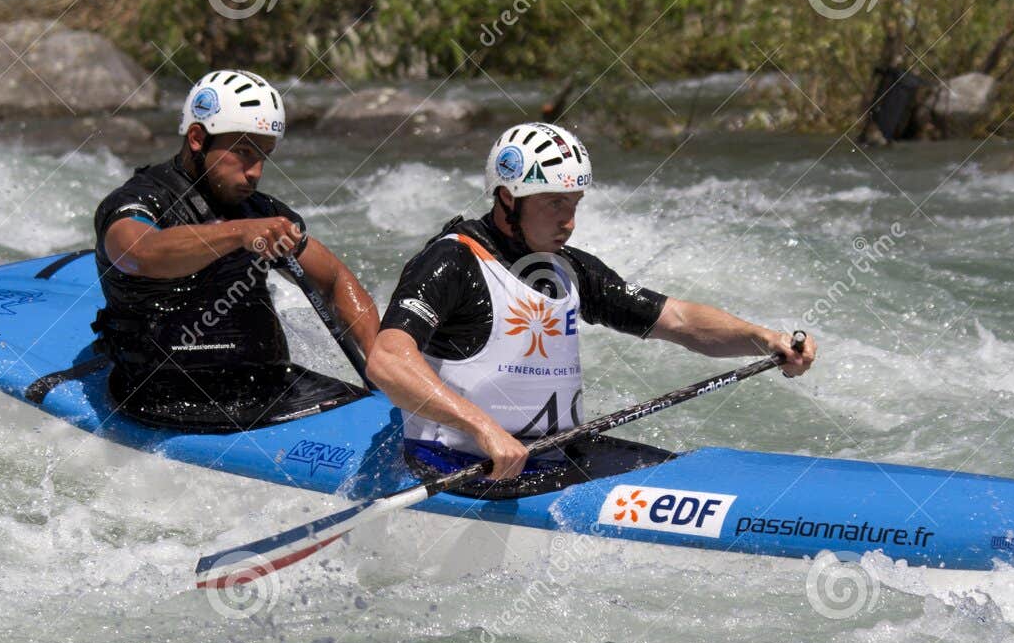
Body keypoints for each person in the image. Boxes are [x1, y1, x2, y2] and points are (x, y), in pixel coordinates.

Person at [366, 122, 816, 495]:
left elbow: (677, 320)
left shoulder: (568, 267)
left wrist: (763, 339)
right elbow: (387, 360)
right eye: (555, 203)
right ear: (507, 198)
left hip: (557, 455)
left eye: (575, 204)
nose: (569, 220)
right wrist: (484, 428)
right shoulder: (452, 261)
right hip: (462, 467)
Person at [93, 69, 379, 431]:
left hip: (267, 387)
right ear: (198, 138)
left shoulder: (261, 211)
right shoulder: (140, 200)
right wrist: (238, 233)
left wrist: (379, 359)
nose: (256, 172)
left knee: (371, 414)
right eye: (243, 152)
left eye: (265, 155)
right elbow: (138, 253)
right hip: (163, 395)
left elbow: (334, 280)